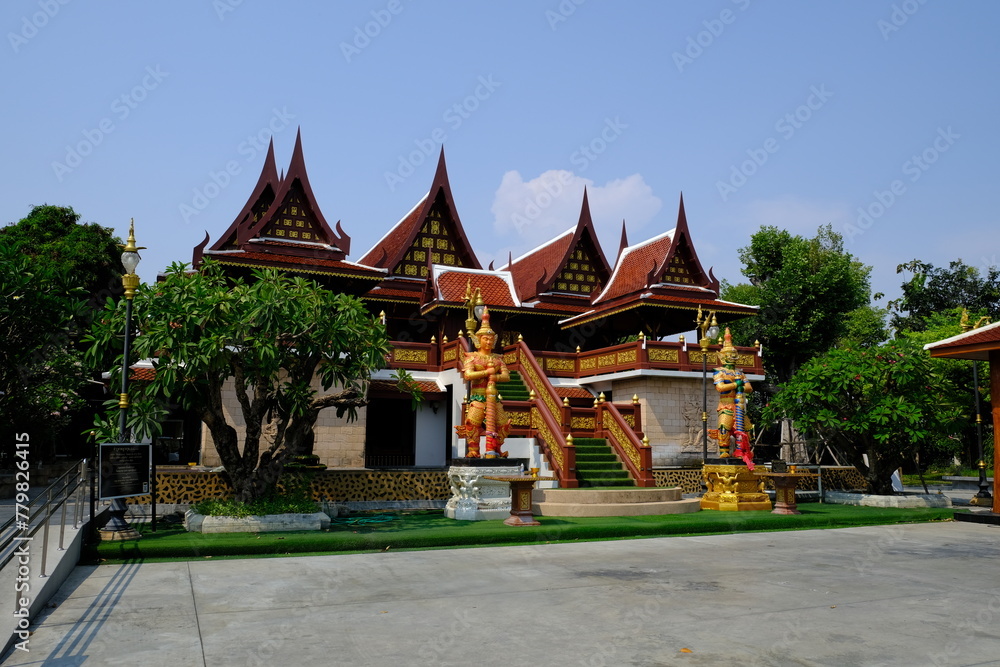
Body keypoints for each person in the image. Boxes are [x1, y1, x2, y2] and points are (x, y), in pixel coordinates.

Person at [455, 308, 511, 458]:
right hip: (478, 396)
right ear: (478, 340)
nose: (489, 341)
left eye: (491, 339)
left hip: (493, 397)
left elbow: (506, 376)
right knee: (472, 424)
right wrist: (486, 373)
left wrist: (496, 377)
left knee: (504, 424)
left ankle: (496, 448)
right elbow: (468, 375)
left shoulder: (498, 358)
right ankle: (474, 450)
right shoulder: (472, 357)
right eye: (485, 338)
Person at [712, 328, 754, 466]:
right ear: (722, 356)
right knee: (724, 427)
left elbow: (749, 388)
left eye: (733, 353)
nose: (732, 356)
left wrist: (739, 384)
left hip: (739, 405)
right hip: (726, 404)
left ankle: (741, 450)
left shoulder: (739, 372)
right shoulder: (719, 372)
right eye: (729, 354)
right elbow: (720, 387)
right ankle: (724, 450)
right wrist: (736, 385)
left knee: (747, 429)